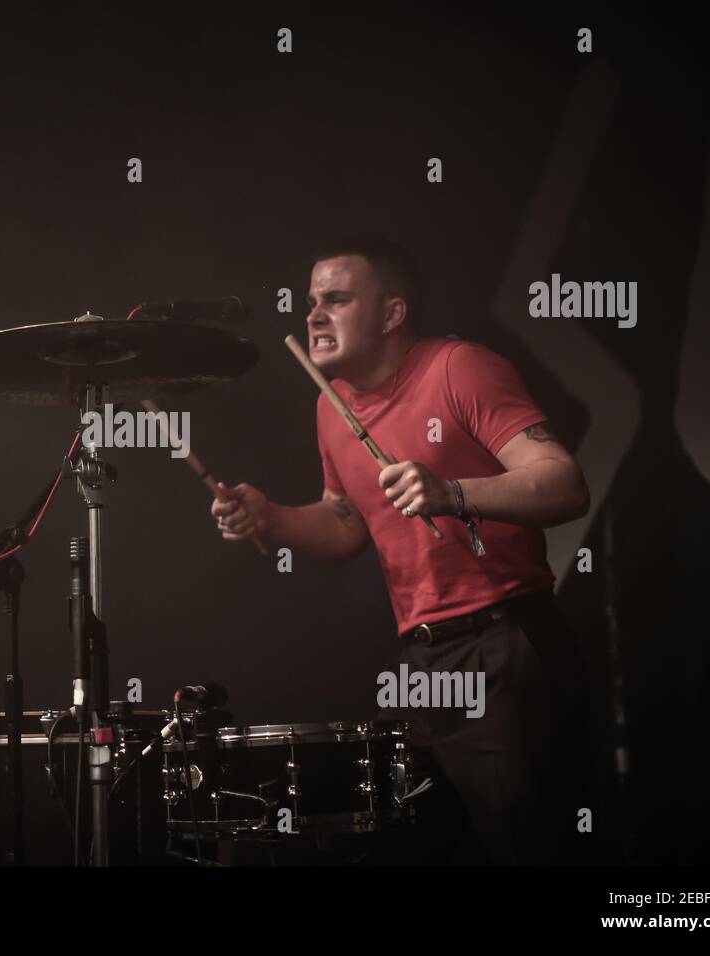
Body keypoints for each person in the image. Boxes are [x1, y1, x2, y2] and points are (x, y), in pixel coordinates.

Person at [212, 237, 593, 864]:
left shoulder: (459, 367)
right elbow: (345, 524)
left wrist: (453, 492)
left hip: (502, 641)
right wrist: (272, 518)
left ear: (391, 314)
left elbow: (564, 481)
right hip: (420, 661)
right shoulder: (330, 405)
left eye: (336, 300)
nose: (313, 315)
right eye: (311, 302)